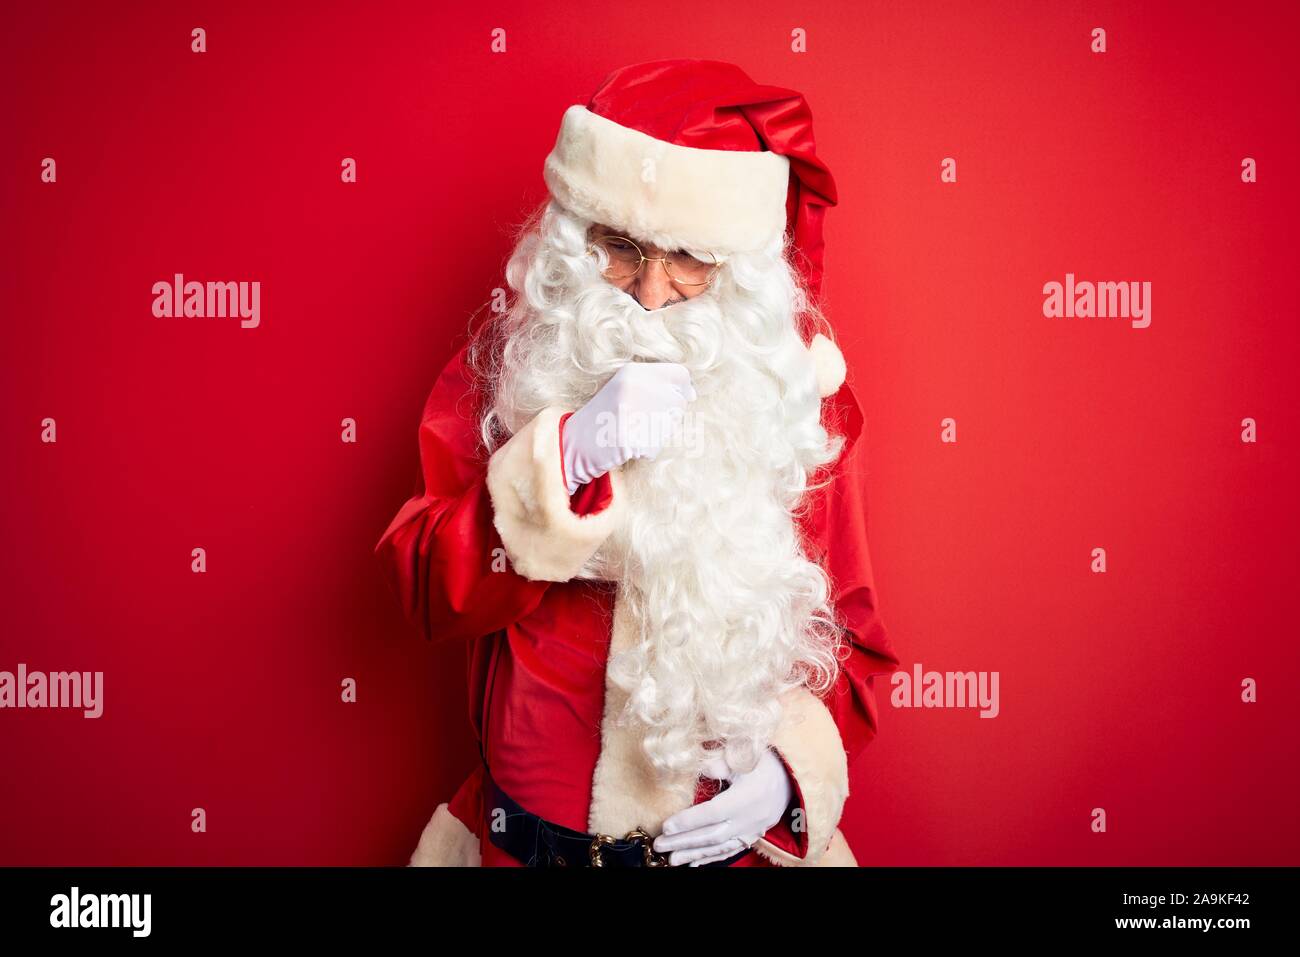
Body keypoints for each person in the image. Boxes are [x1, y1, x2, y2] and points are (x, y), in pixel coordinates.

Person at [375, 58, 899, 867]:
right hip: (521, 846)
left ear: (742, 267)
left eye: (688, 255)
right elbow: (419, 585)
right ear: (576, 238)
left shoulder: (796, 401)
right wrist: (565, 454)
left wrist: (788, 777)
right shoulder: (512, 365)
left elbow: (854, 643)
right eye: (621, 246)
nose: (650, 293)